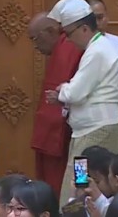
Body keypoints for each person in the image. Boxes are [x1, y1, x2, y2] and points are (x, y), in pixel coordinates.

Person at [44, 0, 118, 205]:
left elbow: (76, 92)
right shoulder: (97, 48)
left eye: (68, 34)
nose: (68, 40)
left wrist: (62, 92)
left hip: (96, 133)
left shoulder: (97, 51)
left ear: (84, 29)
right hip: (90, 131)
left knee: (79, 189)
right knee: (80, 187)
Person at [27, 12, 83, 198]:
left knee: (77, 185)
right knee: (67, 186)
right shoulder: (68, 48)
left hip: (85, 133)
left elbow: (69, 93)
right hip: (75, 132)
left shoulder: (77, 49)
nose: (35, 45)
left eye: (36, 38)